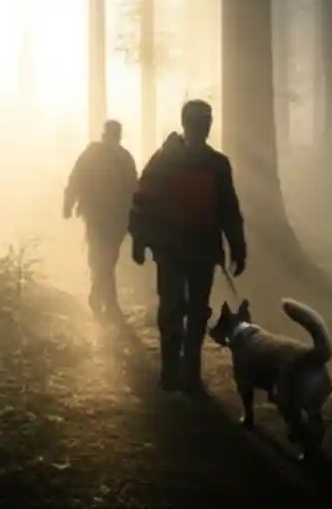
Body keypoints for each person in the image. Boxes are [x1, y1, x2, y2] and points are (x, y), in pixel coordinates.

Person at [129, 100, 246, 392]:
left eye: (206, 121)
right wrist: (139, 239)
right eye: (202, 121)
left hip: (184, 250)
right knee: (184, 309)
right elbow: (143, 201)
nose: (205, 126)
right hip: (187, 250)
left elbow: (228, 209)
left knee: (183, 309)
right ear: (192, 124)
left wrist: (140, 241)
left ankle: (181, 373)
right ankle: (181, 373)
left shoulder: (178, 160)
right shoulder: (207, 162)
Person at [63, 120, 138, 322]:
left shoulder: (91, 154)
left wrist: (68, 203)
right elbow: (134, 187)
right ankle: (108, 303)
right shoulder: (124, 156)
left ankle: (99, 298)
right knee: (107, 260)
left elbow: (75, 178)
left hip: (96, 215)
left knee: (100, 259)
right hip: (116, 218)